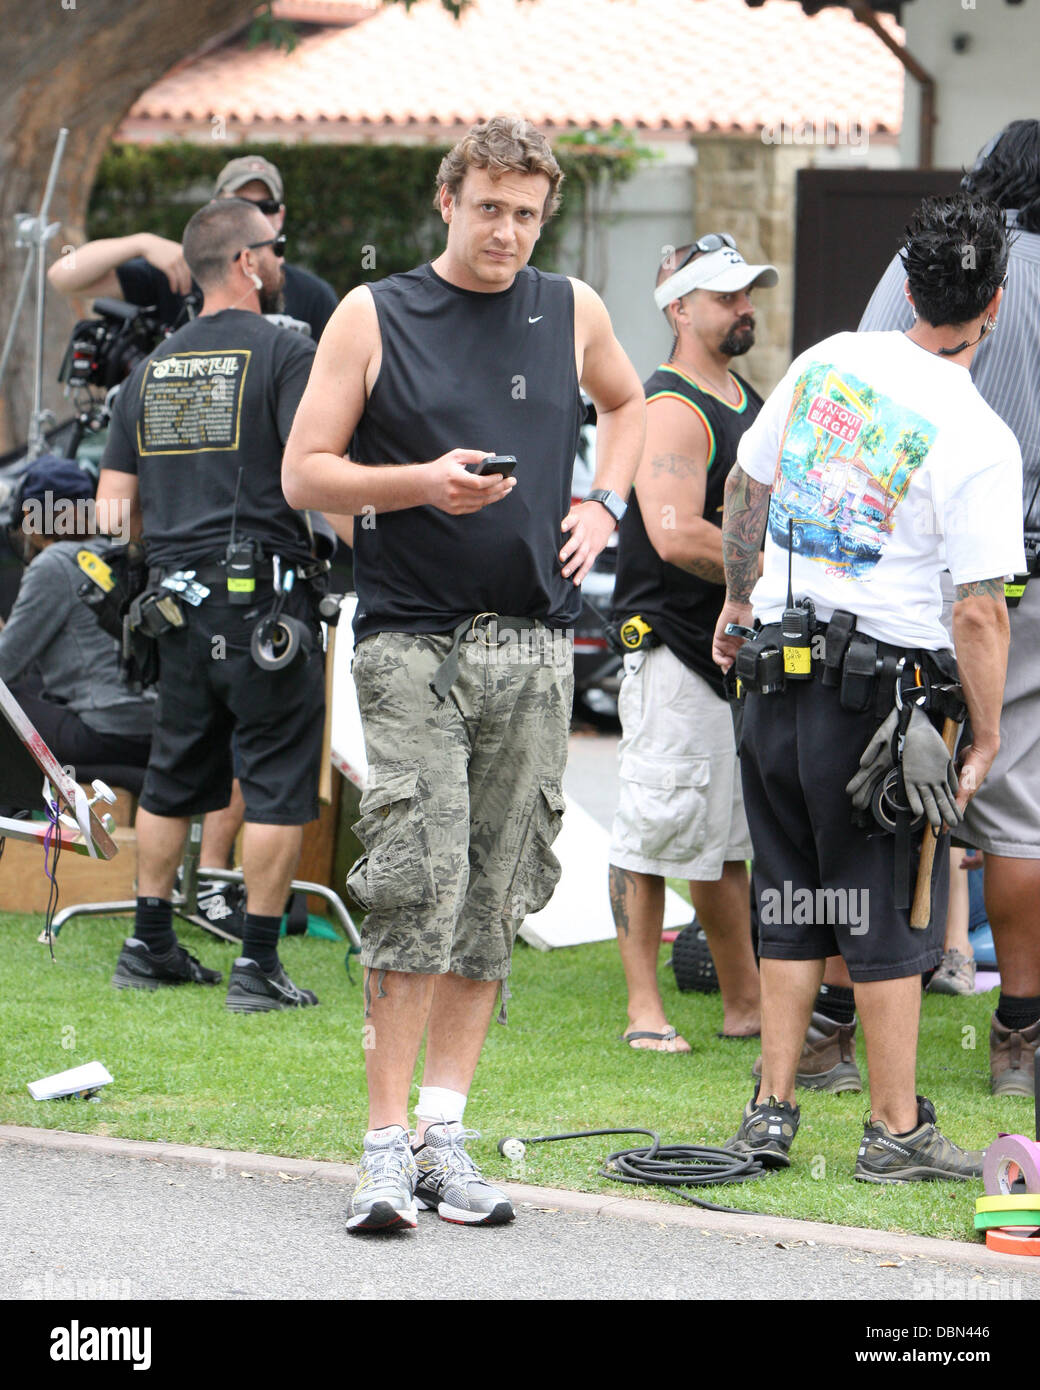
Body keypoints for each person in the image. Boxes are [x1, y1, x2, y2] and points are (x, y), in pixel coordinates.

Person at [282, 116, 644, 1232]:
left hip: (532, 646)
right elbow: (305, 473)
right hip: (410, 641)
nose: (507, 232)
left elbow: (629, 404)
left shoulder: (569, 306)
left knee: (493, 893)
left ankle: (445, 1134)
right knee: (415, 883)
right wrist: (420, 485)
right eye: (488, 208)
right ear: (448, 201)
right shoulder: (372, 312)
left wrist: (603, 502)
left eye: (526, 214)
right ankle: (381, 1150)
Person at [712, 193, 1023, 1182]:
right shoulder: (976, 432)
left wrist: (733, 599)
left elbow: (745, 488)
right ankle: (894, 1129)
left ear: (904, 285)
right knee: (882, 912)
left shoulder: (822, 362)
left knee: (795, 895)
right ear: (993, 304)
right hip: (877, 704)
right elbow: (977, 611)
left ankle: (770, 1109)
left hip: (770, 677)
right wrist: (980, 738)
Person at [96, 197, 326, 1011]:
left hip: (173, 605)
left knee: (171, 777)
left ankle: (147, 942)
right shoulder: (286, 352)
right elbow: (314, 475)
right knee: (275, 784)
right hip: (267, 603)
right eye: (274, 250)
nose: (280, 263)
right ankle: (257, 966)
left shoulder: (150, 370)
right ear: (243, 263)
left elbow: (110, 512)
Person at [860, 120, 1040, 1094]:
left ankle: (836, 1022)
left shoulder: (916, 270)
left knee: (886, 785)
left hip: (910, 564)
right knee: (1015, 808)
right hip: (1021, 568)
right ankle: (1016, 1035)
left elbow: (863, 392)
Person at [607, 236, 776, 1051]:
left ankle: (746, 1003)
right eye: (726, 296)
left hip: (723, 650)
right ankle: (645, 1012)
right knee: (650, 830)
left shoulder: (742, 396)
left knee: (723, 839)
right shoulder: (672, 405)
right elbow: (674, 535)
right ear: (679, 308)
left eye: (748, 294)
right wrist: (775, 572)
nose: (745, 309)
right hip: (671, 647)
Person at [47, 154, 338, 343]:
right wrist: (141, 243)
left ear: (280, 216)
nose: (255, 216)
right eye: (240, 205)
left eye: (266, 207)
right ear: (214, 211)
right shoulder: (177, 273)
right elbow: (63, 276)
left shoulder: (314, 295)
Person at [0, 456, 153, 776]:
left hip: (102, 730)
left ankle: (15, 812)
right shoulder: (118, 553)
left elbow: (5, 667)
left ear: (32, 518)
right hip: (151, 727)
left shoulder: (54, 564)